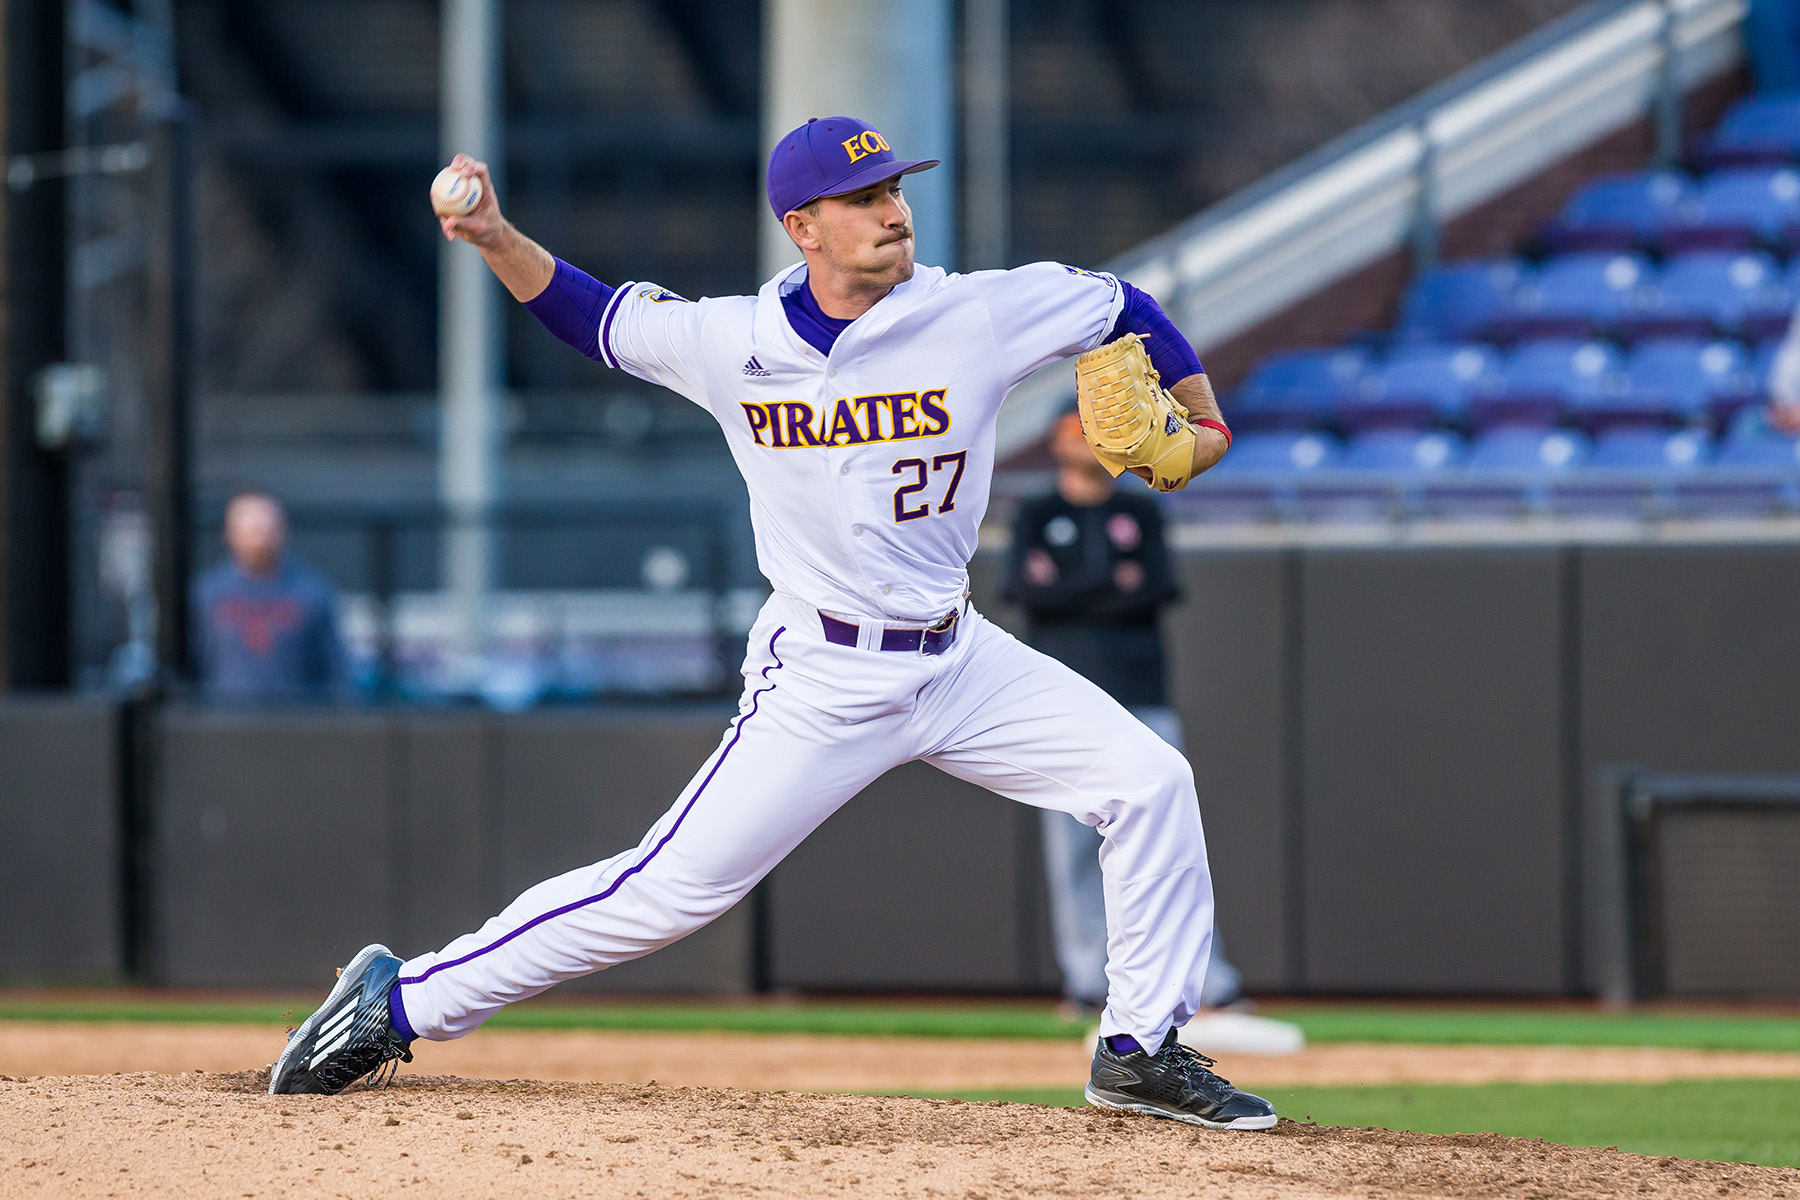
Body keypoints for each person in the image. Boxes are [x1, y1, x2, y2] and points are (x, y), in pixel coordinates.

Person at [271, 116, 1273, 1131]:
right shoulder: (731, 340)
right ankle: (396, 1002)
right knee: (664, 894)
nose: (892, 212)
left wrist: (1202, 410)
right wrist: (494, 237)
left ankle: (1140, 1047)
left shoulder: (975, 313)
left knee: (1149, 782)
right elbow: (593, 316)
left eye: (894, 190)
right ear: (803, 226)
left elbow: (1121, 304)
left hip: (958, 658)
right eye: (864, 199)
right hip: (823, 675)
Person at [1006, 413, 1303, 1058]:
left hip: (1139, 691)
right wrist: (1112, 585)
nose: (1085, 437)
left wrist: (1074, 591)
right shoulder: (1037, 513)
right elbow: (1027, 594)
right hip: (1060, 699)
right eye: (1074, 428)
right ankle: (1087, 983)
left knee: (1171, 832)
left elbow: (1161, 588)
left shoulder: (1139, 511)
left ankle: (1208, 982)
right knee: (1071, 850)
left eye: (1093, 428)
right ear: (1057, 441)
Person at [192, 492, 350, 705]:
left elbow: (335, 672)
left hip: (295, 723)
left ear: (282, 530)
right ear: (229, 533)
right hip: (222, 723)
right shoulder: (206, 593)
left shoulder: (313, 590)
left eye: (266, 529)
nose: (259, 540)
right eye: (251, 530)